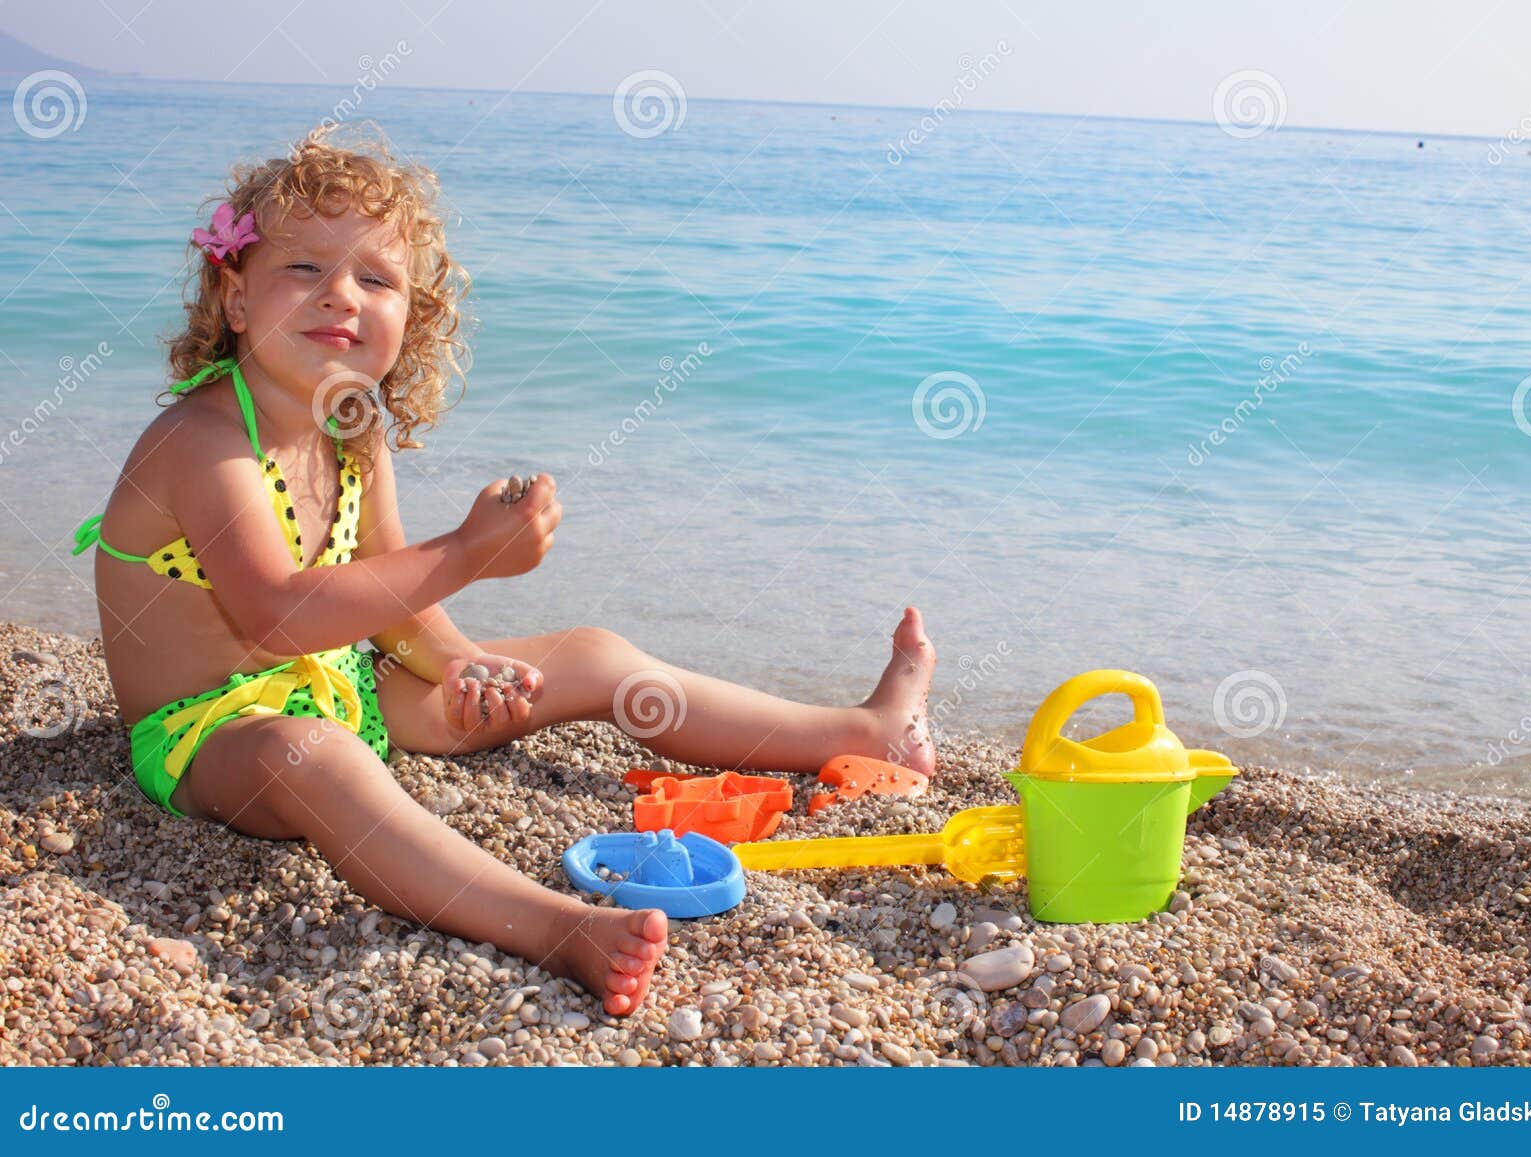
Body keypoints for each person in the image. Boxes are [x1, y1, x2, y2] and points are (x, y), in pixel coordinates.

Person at [72, 124, 936, 1017]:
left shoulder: (351, 426)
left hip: (338, 682)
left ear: (411, 319)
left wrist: (453, 661)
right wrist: (468, 554)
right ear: (236, 297)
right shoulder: (202, 443)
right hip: (212, 736)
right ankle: (558, 927)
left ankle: (864, 729)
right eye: (302, 269)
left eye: (376, 278)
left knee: (591, 654)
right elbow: (275, 619)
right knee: (316, 759)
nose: (341, 296)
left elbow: (387, 602)